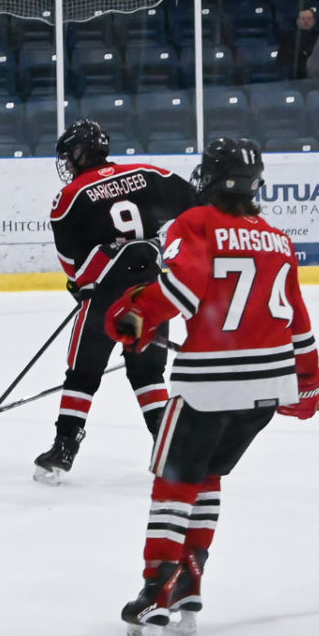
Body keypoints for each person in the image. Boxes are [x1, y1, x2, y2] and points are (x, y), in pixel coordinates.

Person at [101, 138, 319, 636]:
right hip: (264, 394)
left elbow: (181, 287)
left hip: (208, 387)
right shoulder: (277, 239)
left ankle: (157, 590)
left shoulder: (197, 223)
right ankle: (190, 582)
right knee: (208, 476)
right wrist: (307, 381)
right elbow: (297, 319)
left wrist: (132, 316)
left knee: (174, 481)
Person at [36, 119, 197, 486]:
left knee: (83, 373)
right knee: (148, 373)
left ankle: (64, 448)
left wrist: (81, 283)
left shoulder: (70, 196)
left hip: (105, 293)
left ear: (83, 152)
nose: (68, 163)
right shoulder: (148, 173)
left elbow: (72, 265)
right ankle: (169, 449)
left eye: (70, 154)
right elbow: (196, 208)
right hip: (150, 291)